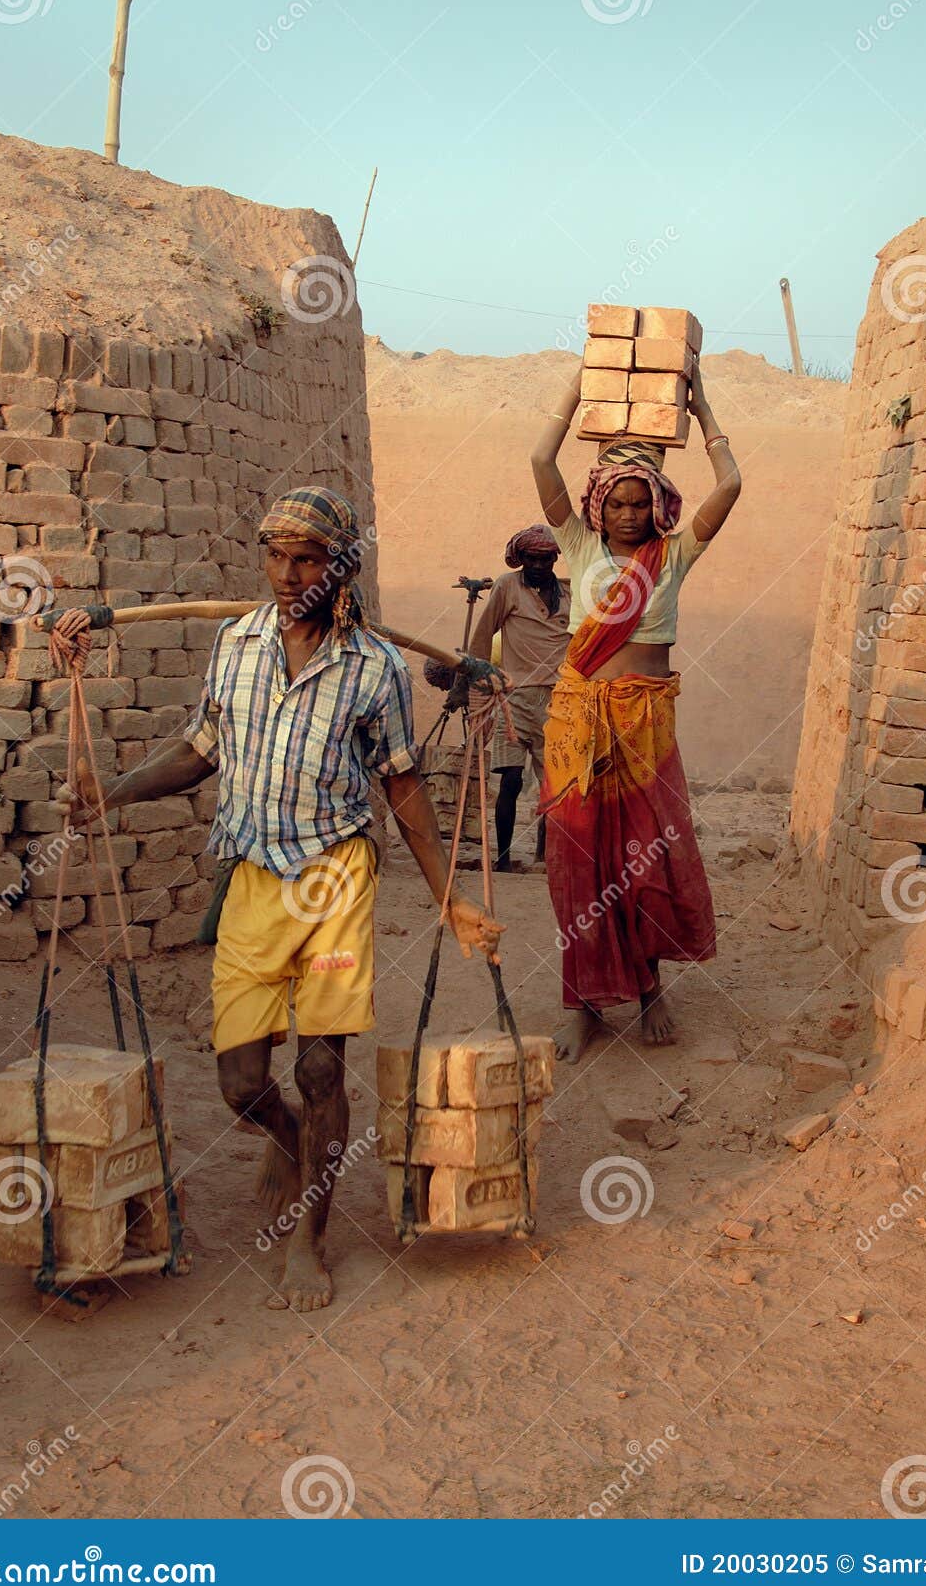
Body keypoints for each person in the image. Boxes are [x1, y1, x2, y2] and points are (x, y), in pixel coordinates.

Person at [62, 486, 503, 1313]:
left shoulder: (373, 668)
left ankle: (310, 1240)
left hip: (335, 879)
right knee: (240, 1083)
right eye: (275, 555)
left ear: (339, 568)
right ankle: (295, 1142)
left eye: (306, 558)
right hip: (254, 882)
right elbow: (200, 752)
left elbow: (402, 788)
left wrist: (450, 897)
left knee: (319, 1065)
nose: (286, 572)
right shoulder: (235, 645)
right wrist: (110, 794)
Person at [530, 361, 740, 1062]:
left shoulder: (672, 555)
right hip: (576, 719)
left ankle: (649, 987)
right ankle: (583, 1003)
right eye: (615, 503)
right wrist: (577, 392)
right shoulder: (578, 545)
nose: (626, 514)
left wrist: (703, 407)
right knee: (579, 860)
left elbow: (732, 486)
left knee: (646, 856)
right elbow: (538, 458)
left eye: (638, 502)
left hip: (645, 722)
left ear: (658, 504)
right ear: (597, 507)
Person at [467, 525, 570, 871]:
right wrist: (473, 685)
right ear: (520, 558)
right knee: (510, 779)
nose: (539, 565)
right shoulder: (507, 586)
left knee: (554, 786)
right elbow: (482, 636)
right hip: (515, 699)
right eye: (532, 558)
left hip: (559, 700)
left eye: (545, 559)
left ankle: (547, 855)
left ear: (555, 558)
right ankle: (502, 858)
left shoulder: (569, 594)